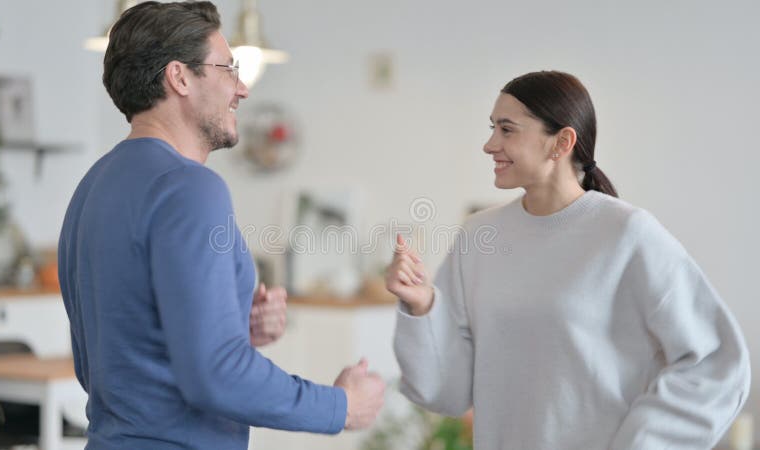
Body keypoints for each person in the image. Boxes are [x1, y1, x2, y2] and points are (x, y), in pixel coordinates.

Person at [58, 2, 384, 448]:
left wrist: (226, 326)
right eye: (228, 68)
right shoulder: (190, 187)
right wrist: (341, 406)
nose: (243, 88)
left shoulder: (92, 186)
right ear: (179, 77)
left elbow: (103, 359)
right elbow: (215, 377)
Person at [387, 70, 750, 449]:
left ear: (561, 142)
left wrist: (642, 443)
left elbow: (716, 364)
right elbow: (447, 393)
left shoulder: (628, 234)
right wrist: (423, 306)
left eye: (507, 130)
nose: (489, 144)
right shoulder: (479, 236)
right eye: (492, 127)